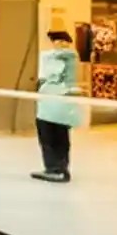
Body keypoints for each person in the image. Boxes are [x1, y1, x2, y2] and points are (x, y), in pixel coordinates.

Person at [32, 30, 81, 183]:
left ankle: (58, 169)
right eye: (55, 41)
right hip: (47, 102)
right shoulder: (49, 57)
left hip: (59, 102)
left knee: (56, 136)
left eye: (62, 41)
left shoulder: (67, 57)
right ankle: (53, 167)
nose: (58, 45)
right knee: (48, 135)